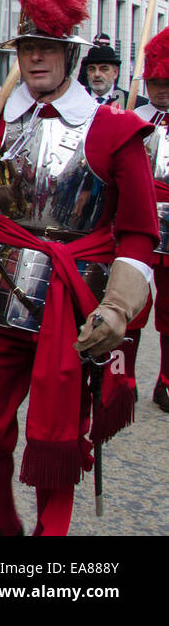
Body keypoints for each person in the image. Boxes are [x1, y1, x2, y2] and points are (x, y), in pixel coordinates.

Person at [0, 0, 156, 536]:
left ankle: (49, 544)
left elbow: (138, 233)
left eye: (46, 48)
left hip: (76, 304)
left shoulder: (114, 132)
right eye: (27, 48)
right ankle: (4, 522)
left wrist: (120, 307)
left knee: (59, 434)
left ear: (69, 53)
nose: (35, 59)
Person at [132, 27, 169, 413]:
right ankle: (121, 379)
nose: (161, 90)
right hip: (140, 223)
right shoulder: (135, 117)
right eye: (155, 82)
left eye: (168, 82)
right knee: (132, 305)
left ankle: (167, 381)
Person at [83, 42, 144, 108]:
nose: (97, 74)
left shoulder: (134, 103)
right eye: (92, 69)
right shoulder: (76, 99)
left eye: (103, 69)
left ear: (115, 72)